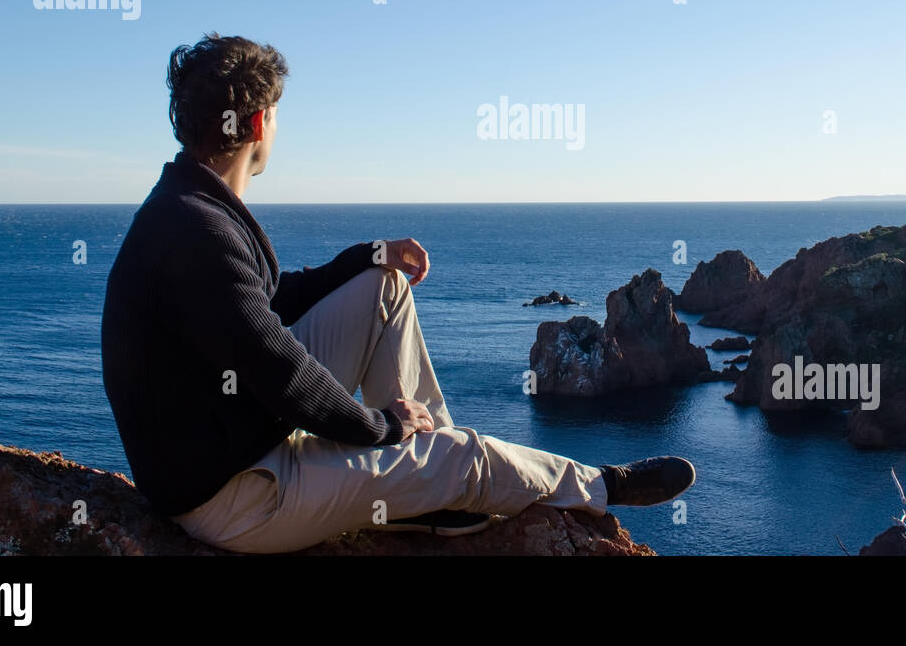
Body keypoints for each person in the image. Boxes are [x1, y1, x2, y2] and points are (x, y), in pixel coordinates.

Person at [100, 32, 695, 553]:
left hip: (229, 439)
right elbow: (280, 371)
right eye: (277, 115)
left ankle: (431, 488)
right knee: (465, 457)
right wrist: (380, 426)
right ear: (258, 124)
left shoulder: (188, 209)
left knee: (383, 287)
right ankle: (598, 486)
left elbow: (271, 303)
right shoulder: (200, 232)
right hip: (236, 495)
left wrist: (369, 256)